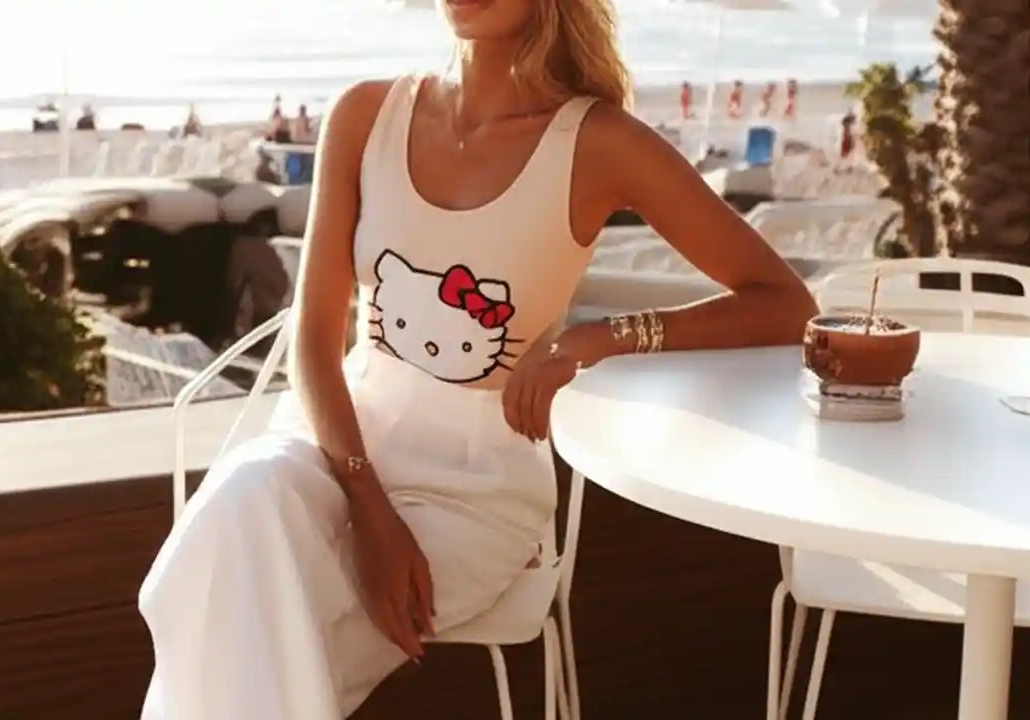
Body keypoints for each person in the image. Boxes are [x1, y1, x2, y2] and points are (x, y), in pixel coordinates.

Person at [138, 1, 817, 718]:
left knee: (252, 614)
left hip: (474, 490)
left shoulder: (599, 143)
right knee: (245, 501)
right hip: (339, 449)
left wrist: (597, 337)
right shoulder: (366, 116)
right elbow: (314, 339)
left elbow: (783, 302)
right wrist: (370, 511)